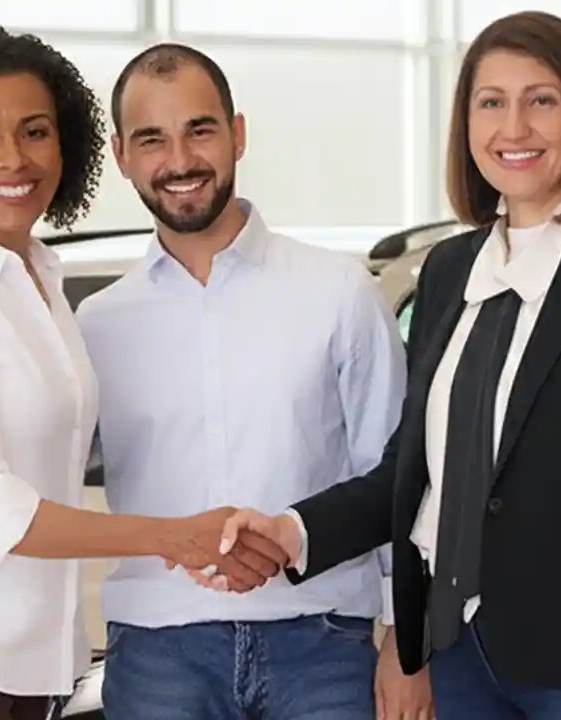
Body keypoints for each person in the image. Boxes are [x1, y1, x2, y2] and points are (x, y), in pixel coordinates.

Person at [215, 11, 561, 720]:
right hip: (457, 656)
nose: (513, 128)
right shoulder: (451, 270)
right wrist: (294, 531)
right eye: (491, 103)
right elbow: (413, 471)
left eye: (541, 100)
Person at [0, 23, 287, 720]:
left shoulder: (39, 278)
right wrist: (170, 535)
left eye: (35, 131)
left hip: (26, 661)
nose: (14, 158)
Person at [75, 43, 434, 720]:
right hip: (159, 653)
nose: (179, 161)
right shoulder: (97, 324)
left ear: (237, 133)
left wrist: (404, 643)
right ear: (121, 154)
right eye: (153, 139)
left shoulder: (338, 291)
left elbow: (395, 476)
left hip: (325, 643)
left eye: (199, 130)